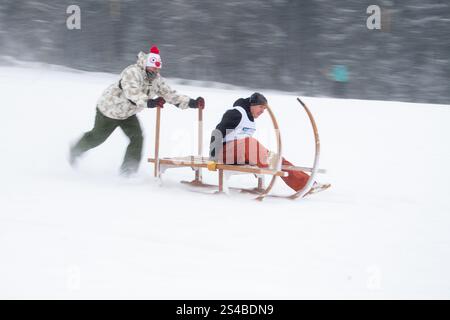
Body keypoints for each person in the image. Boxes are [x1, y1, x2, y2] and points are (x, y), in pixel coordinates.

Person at [70, 46, 205, 176]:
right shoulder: (132, 72)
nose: (155, 71)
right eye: (153, 67)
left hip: (128, 114)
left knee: (137, 138)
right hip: (109, 110)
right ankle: (75, 150)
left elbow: (170, 94)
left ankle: (128, 171)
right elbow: (132, 94)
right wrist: (150, 102)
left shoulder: (156, 80)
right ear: (146, 64)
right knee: (97, 138)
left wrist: (192, 103)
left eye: (158, 68)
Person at [209, 92, 328, 194]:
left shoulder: (250, 119)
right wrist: (212, 158)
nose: (263, 111)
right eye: (261, 107)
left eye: (265, 109)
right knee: (251, 144)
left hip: (242, 153)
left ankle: (307, 184)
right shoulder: (236, 113)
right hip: (225, 154)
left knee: (278, 159)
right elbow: (217, 132)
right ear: (252, 105)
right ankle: (270, 162)